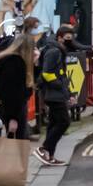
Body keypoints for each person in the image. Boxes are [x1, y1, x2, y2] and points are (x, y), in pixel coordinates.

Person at [34, 24, 73, 168]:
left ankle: (49, 155)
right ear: (60, 37)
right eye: (68, 38)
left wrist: (67, 92)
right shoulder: (54, 51)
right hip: (53, 93)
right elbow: (47, 73)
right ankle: (43, 148)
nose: (70, 40)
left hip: (55, 93)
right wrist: (61, 87)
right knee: (64, 122)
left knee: (53, 123)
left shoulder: (56, 49)